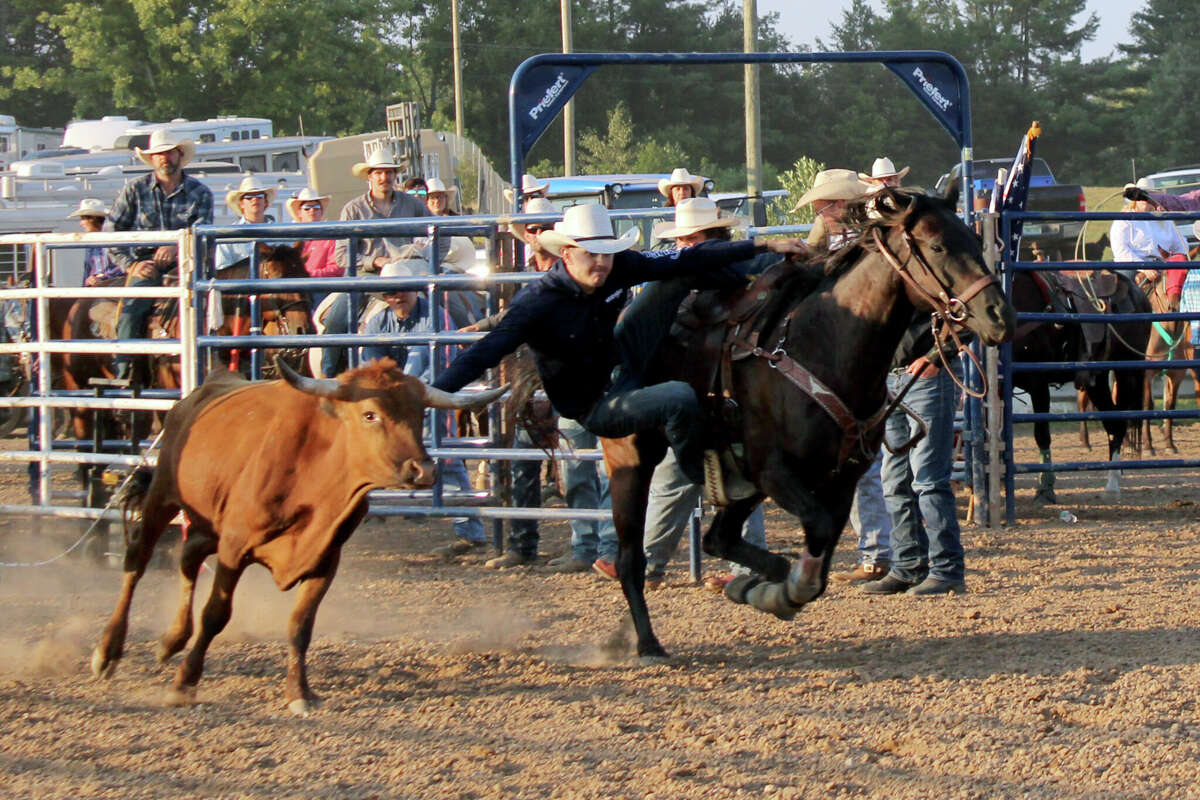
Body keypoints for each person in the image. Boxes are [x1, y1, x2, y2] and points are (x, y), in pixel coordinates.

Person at [431, 204, 805, 527]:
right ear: (567, 255)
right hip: (595, 403)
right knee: (679, 396)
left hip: (621, 360)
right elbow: (487, 350)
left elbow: (686, 258)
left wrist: (764, 245)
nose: (600, 262)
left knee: (672, 278)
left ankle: (776, 273)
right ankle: (704, 477)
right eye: (590, 254)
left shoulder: (617, 267)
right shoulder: (538, 304)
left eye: (606, 252)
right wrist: (437, 390)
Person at [638, 197, 782, 589]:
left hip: (730, 391)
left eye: (694, 238)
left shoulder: (733, 273)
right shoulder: (682, 279)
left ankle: (655, 562)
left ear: (713, 237)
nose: (686, 245)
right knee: (682, 475)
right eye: (683, 239)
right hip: (695, 392)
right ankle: (649, 561)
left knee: (729, 474)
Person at [792, 169, 895, 584]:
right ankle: (871, 549)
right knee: (852, 459)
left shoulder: (875, 237)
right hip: (833, 357)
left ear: (844, 204)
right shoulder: (829, 233)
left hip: (865, 355)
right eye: (821, 204)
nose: (821, 210)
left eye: (828, 203)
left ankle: (877, 550)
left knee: (865, 459)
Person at [360, 261, 489, 554]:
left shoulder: (436, 317)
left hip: (427, 397)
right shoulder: (379, 322)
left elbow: (439, 365)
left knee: (446, 456)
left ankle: (470, 531)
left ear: (414, 289)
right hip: (396, 403)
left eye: (402, 290)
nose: (396, 296)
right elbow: (371, 367)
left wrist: (403, 393)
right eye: (390, 292)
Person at [863, 322, 967, 596]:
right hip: (889, 377)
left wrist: (936, 356)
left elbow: (969, 308)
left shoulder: (937, 277)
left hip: (928, 376)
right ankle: (908, 566)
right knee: (895, 480)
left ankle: (947, 571)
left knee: (928, 479)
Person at [108, 128, 213, 379]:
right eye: (158, 154)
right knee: (132, 308)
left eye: (168, 153)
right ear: (152, 159)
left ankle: (216, 362)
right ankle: (124, 371)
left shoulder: (200, 193)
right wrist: (131, 265)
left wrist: (178, 247)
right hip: (147, 264)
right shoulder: (135, 190)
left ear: (179, 155)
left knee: (214, 303)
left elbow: (205, 236)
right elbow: (112, 231)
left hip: (188, 263)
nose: (164, 158)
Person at [322, 143, 432, 377]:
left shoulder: (412, 204)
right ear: (369, 177)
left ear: (395, 175)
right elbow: (342, 255)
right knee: (335, 321)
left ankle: (467, 361)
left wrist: (432, 259)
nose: (385, 177)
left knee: (449, 302)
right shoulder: (353, 209)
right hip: (367, 276)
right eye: (379, 173)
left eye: (389, 172)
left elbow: (438, 232)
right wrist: (375, 261)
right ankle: (328, 376)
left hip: (406, 274)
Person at [1112, 184, 1188, 299]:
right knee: (1123, 291)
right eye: (1141, 196)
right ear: (1134, 199)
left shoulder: (1164, 220)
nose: (1145, 199)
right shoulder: (1123, 220)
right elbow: (1121, 251)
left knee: (1186, 285)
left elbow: (1180, 244)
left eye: (1148, 196)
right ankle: (1123, 315)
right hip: (1132, 265)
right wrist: (1144, 267)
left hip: (1162, 265)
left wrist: (1177, 257)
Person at [214, 174, 284, 272]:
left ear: (266, 202)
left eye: (259, 196)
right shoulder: (229, 234)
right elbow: (222, 271)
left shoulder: (281, 232)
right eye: (249, 197)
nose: (255, 199)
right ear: (241, 204)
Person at [286, 187, 342, 306]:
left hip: (321, 289)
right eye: (307, 208)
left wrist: (308, 274)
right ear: (299, 213)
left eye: (316, 207)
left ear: (321, 212)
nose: (312, 211)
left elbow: (337, 269)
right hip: (294, 289)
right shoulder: (290, 238)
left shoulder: (331, 238)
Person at [67, 199, 123, 286]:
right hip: (96, 285)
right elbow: (88, 271)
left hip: (114, 284)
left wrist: (101, 278)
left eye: (83, 219)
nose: (81, 224)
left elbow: (122, 266)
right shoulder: (90, 244)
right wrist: (88, 282)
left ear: (92, 219)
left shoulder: (113, 238)